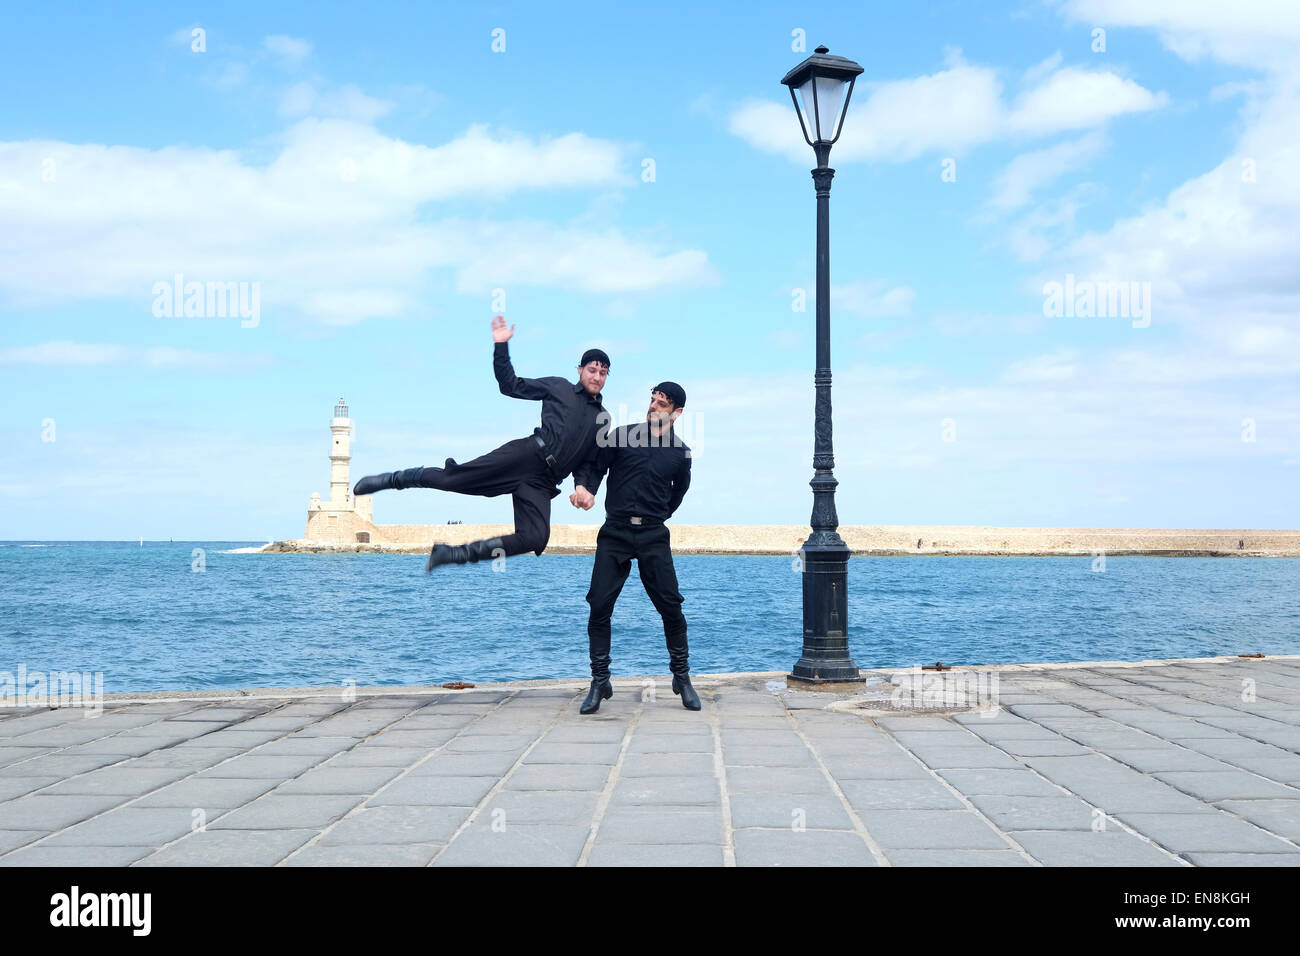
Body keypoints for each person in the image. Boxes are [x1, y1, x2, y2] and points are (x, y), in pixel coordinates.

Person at [352, 316, 609, 571]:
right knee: (453, 479)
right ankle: (392, 480)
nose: (597, 376)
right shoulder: (558, 387)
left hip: (543, 482)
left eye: (603, 372)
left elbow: (591, 462)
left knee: (535, 537)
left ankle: (453, 554)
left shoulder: (602, 419)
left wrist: (584, 487)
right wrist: (501, 346)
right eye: (592, 370)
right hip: (525, 456)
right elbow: (511, 385)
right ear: (580, 369)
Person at [570, 382, 697, 713]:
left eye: (662, 403)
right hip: (615, 533)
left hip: (654, 535)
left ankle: (681, 677)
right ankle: (600, 681)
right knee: (599, 604)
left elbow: (678, 493)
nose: (654, 406)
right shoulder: (622, 435)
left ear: (677, 412)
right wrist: (584, 487)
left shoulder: (681, 453)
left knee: (671, 606)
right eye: (652, 400)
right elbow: (594, 466)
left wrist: (657, 515)